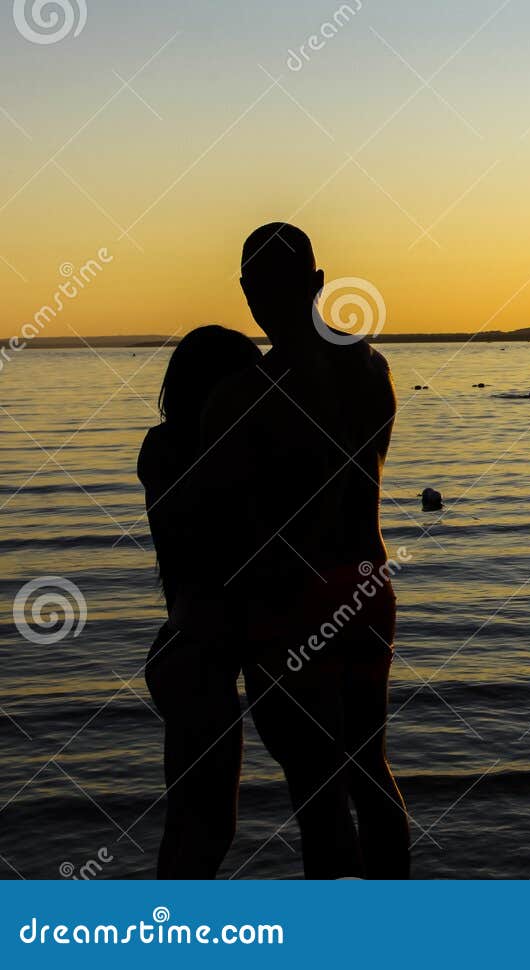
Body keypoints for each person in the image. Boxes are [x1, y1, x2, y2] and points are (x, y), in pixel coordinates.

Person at [203, 223, 409, 878]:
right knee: (369, 768)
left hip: (294, 596)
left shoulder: (246, 395)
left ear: (245, 292)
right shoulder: (371, 370)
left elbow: (229, 519)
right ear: (318, 284)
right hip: (366, 585)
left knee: (316, 791)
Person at [140, 325, 262, 878]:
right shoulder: (191, 457)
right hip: (196, 663)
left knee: (189, 823)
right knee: (210, 828)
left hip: (181, 654)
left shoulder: (164, 449)